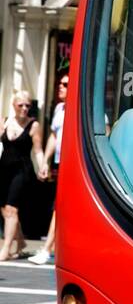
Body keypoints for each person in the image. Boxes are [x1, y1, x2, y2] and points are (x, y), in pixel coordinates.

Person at [29, 72, 68, 266]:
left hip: (74, 166)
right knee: (59, 208)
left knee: (58, 208)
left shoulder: (87, 109)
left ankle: (46, 250)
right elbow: (54, 136)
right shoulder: (60, 109)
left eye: (65, 84)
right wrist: (45, 161)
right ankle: (52, 248)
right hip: (60, 164)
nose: (60, 87)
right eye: (60, 83)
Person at [0, 89, 44, 261]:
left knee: (11, 209)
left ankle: (6, 248)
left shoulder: (33, 125)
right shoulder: (4, 121)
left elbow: (38, 150)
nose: (25, 108)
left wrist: (43, 166)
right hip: (3, 170)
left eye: (28, 105)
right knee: (5, 210)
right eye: (21, 105)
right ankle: (20, 241)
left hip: (22, 171)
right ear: (14, 105)